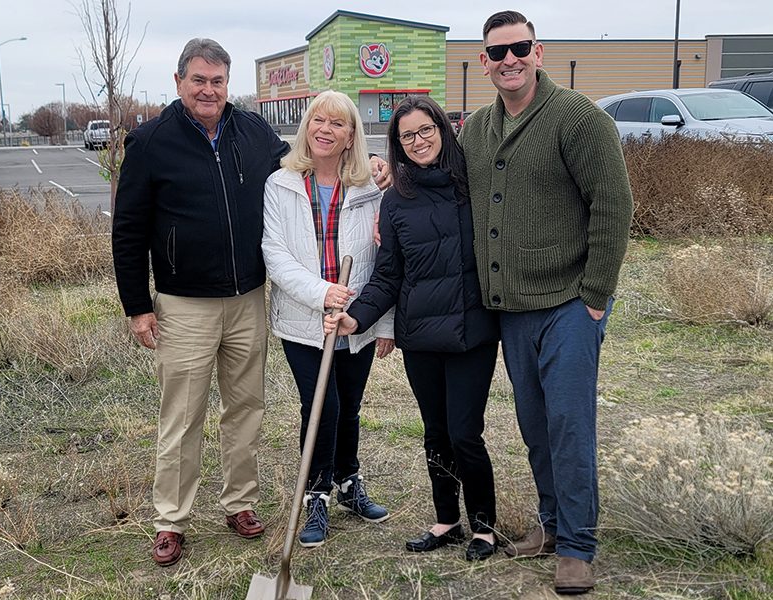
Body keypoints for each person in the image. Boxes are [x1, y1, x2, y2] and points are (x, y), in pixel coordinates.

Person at [112, 39, 391, 568]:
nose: (208, 90)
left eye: (217, 81)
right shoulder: (150, 143)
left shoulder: (253, 132)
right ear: (179, 81)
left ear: (227, 83)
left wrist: (373, 162)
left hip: (247, 299)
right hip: (184, 303)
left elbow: (312, 153)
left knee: (245, 409)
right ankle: (171, 519)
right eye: (198, 80)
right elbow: (128, 230)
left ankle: (239, 503)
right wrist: (137, 305)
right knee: (183, 415)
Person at [458, 11, 633, 594]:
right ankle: (552, 525)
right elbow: (448, 188)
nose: (509, 59)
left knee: (569, 425)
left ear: (538, 52)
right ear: (483, 61)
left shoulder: (578, 119)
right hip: (511, 308)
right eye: (497, 52)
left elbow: (613, 205)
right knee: (535, 425)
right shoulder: (476, 129)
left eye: (520, 48)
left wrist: (595, 296)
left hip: (568, 305)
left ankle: (578, 547)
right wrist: (390, 184)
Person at [325, 95, 501, 561]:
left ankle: (484, 526)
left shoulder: (474, 185)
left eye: (426, 130)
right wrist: (357, 317)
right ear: (397, 144)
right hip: (421, 336)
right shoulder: (395, 201)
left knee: (465, 432)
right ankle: (447, 520)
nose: (419, 141)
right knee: (435, 431)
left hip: (471, 331)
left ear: (442, 129)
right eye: (407, 136)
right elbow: (388, 275)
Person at [262, 90, 394, 548]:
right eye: (318, 120)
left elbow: (383, 260)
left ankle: (348, 481)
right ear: (306, 127)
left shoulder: (370, 188)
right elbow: (275, 254)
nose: (325, 130)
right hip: (304, 321)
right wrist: (322, 294)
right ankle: (316, 492)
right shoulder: (280, 185)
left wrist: (383, 323)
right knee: (322, 406)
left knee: (350, 406)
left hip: (356, 320)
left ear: (351, 136)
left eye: (337, 123)